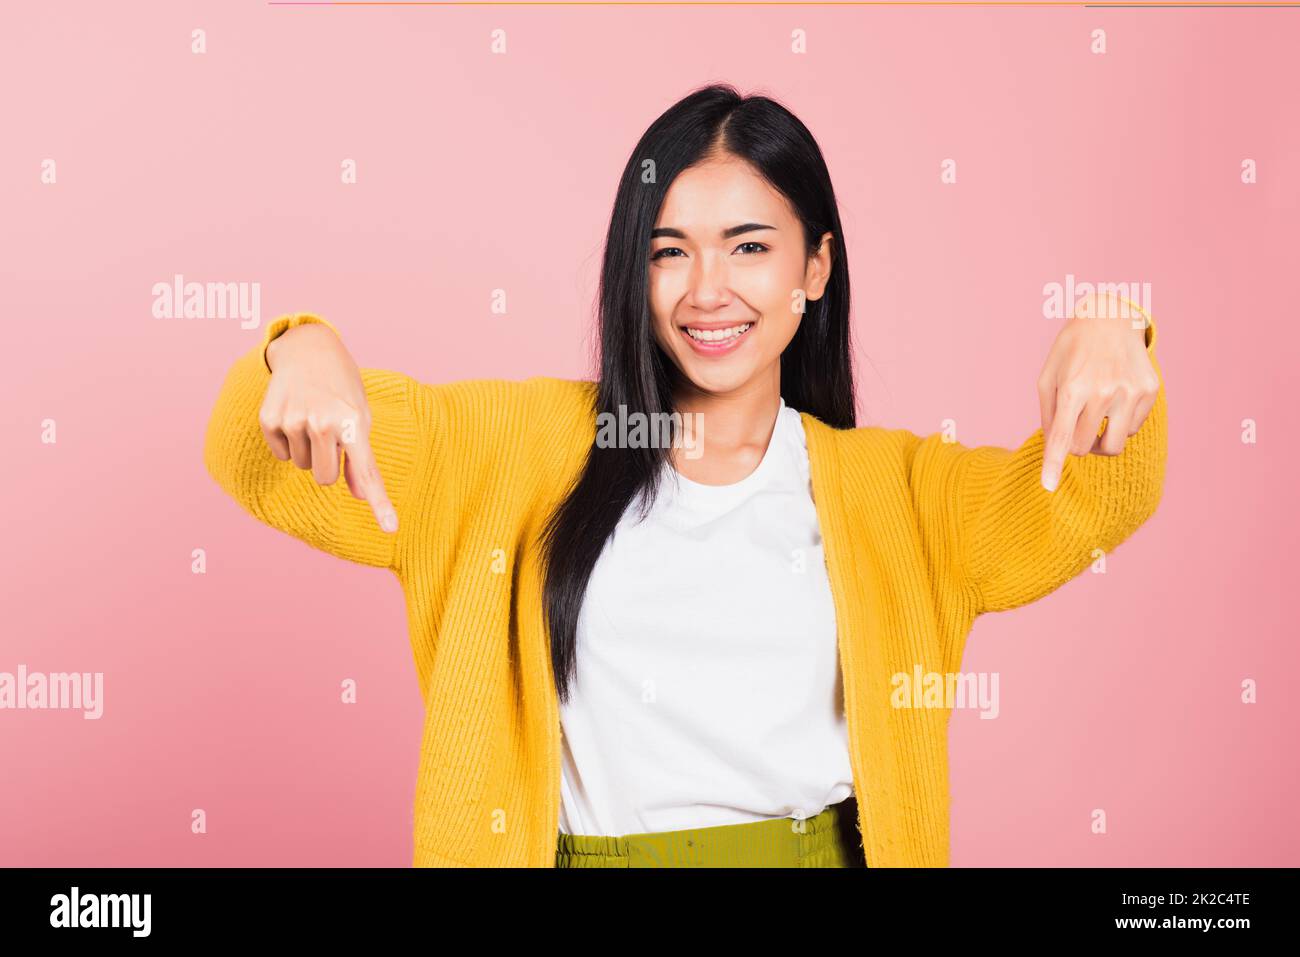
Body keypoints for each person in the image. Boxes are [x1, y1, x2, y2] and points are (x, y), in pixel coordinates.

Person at [202, 83, 1167, 868]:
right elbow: (261, 457)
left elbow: (1090, 497)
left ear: (815, 268)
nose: (709, 291)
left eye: (750, 247)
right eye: (671, 253)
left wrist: (1115, 328)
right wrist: (300, 347)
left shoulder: (900, 493)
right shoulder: (509, 448)